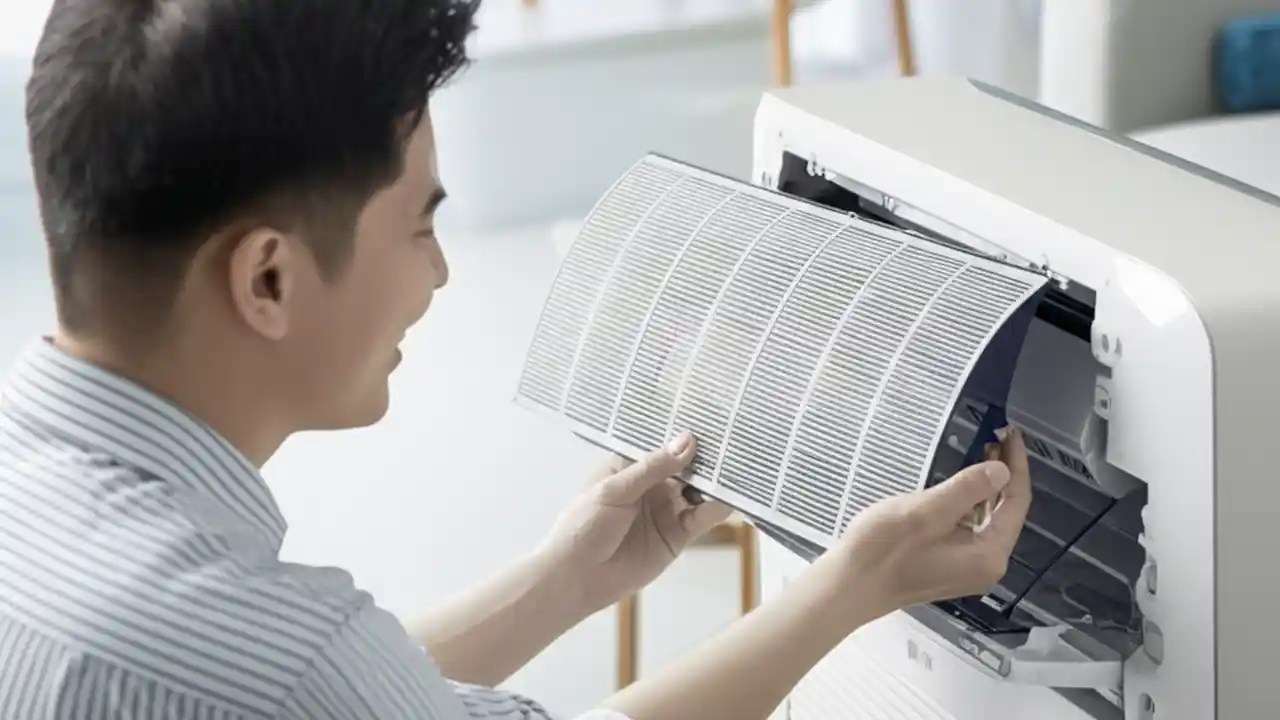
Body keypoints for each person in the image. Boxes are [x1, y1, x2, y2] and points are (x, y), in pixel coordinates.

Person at [0, 1, 1032, 718]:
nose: (440, 275)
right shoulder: (279, 658)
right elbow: (310, 690)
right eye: (417, 227)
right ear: (267, 279)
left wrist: (560, 581)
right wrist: (849, 587)